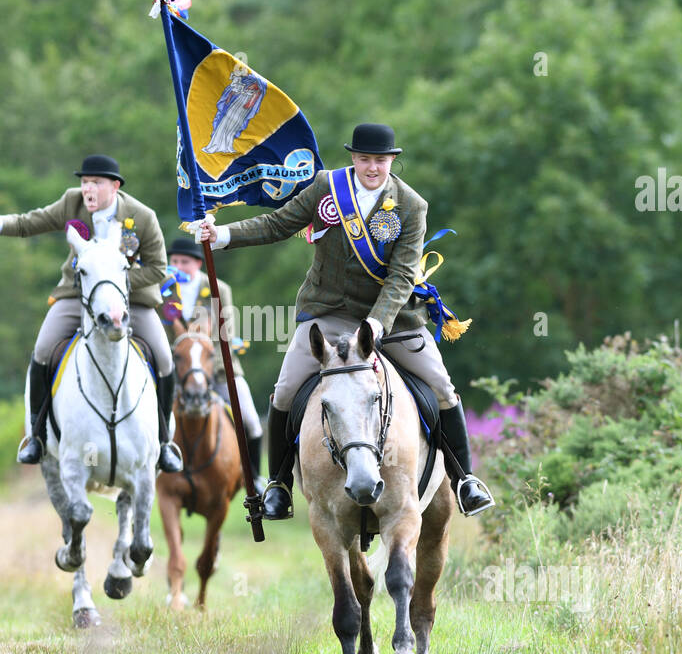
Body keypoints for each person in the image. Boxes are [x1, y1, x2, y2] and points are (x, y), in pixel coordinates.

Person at [190, 123, 493, 520]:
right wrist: (223, 235)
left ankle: (464, 480)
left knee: (441, 386)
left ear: (391, 161)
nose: (372, 167)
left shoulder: (411, 205)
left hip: (393, 320)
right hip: (328, 312)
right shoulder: (325, 187)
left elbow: (402, 275)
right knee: (284, 391)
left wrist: (377, 325)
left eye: (380, 161)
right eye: (365, 159)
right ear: (353, 158)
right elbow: (278, 224)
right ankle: (279, 484)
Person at [0, 154, 182, 472]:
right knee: (42, 351)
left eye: (95, 183)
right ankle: (37, 437)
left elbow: (159, 269)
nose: (87, 190)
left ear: (115, 186)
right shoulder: (71, 203)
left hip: (130, 301)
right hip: (77, 296)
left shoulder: (142, 216)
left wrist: (115, 285)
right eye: (84, 183)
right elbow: (30, 222)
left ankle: (164, 444)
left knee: (164, 359)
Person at [162, 237, 265, 492]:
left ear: (198, 263)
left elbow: (225, 335)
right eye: (174, 261)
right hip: (175, 371)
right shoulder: (164, 289)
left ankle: (254, 476)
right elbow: (163, 335)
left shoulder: (219, 288)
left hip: (215, 369)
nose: (178, 266)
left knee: (250, 420)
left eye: (184, 261)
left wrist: (205, 370)